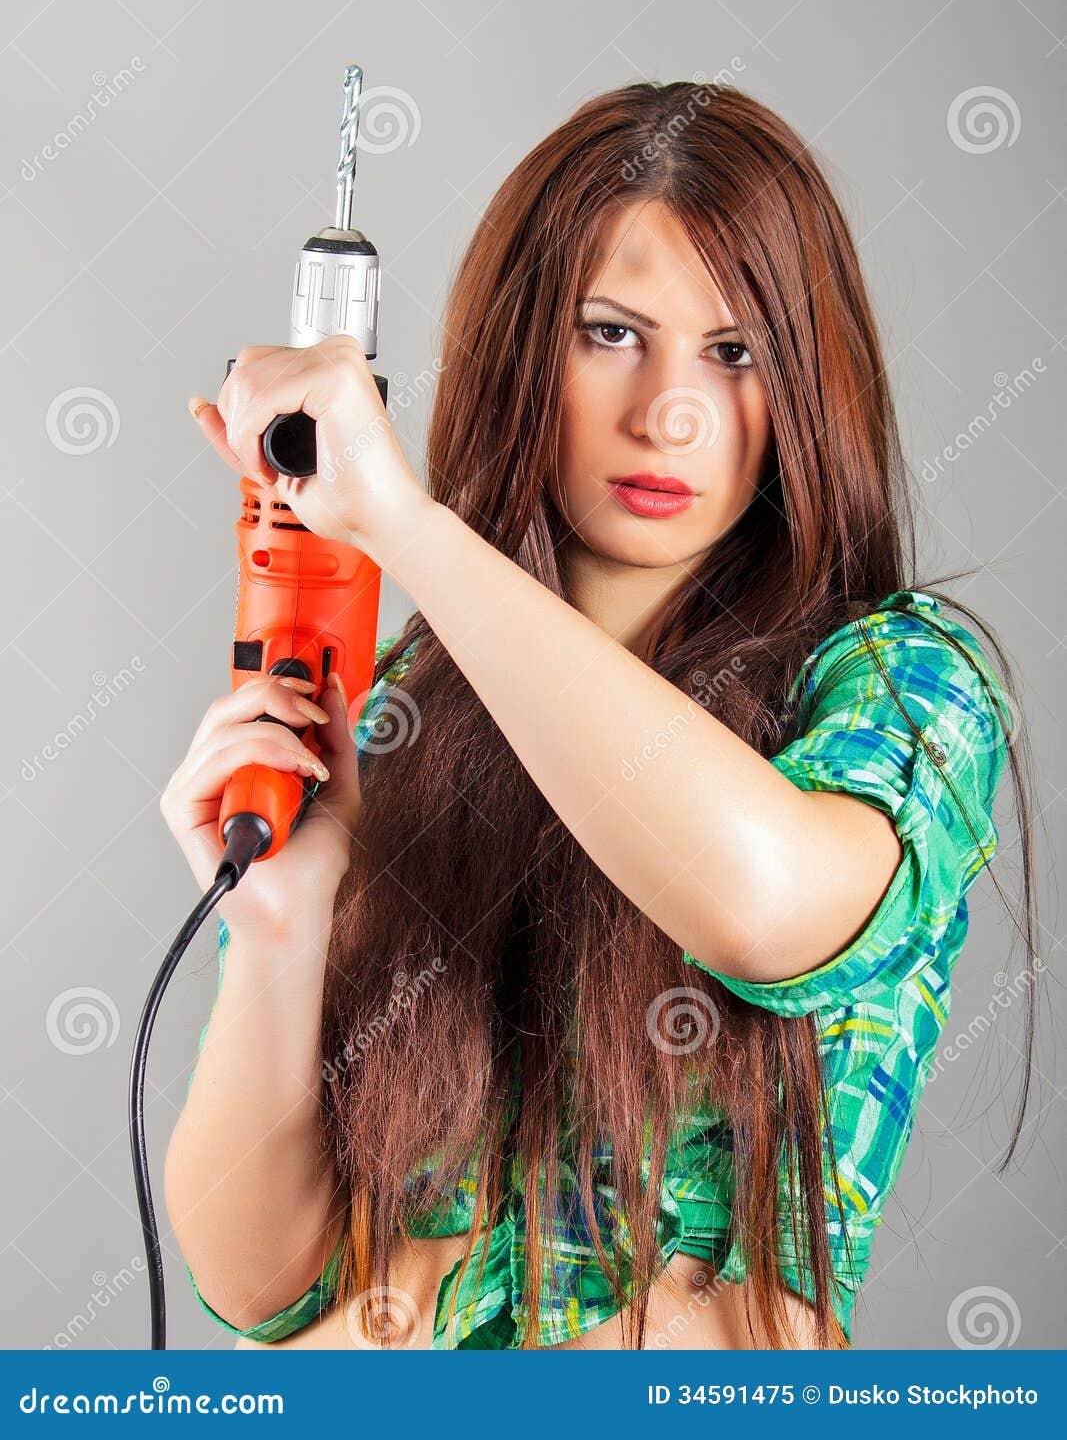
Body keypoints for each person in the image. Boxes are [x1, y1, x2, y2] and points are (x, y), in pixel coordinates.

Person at [163, 80, 1038, 1351]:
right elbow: (263, 1284)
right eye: (611, 333)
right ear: (526, 347)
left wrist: (408, 524)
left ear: (802, 382)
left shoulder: (898, 685)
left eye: (733, 352)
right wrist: (286, 931)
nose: (667, 411)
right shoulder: (407, 705)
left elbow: (764, 902)